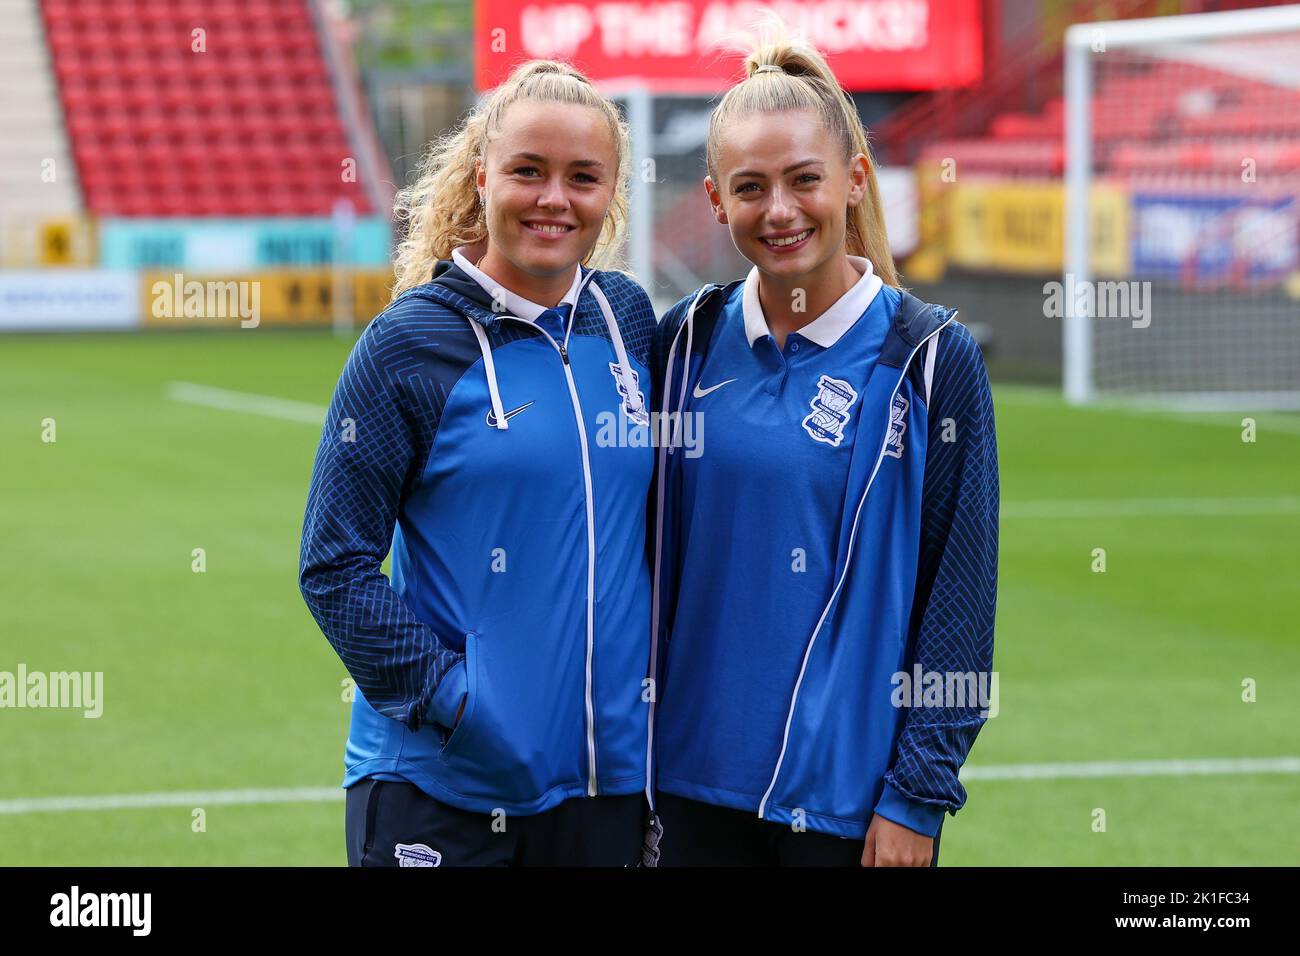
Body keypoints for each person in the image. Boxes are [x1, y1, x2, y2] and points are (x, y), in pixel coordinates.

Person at [647, 30, 1000, 867]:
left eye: (805, 179)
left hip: (844, 813)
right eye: (750, 187)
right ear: (713, 199)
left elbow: (961, 600)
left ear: (854, 179)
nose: (780, 210)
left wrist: (918, 795)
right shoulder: (682, 343)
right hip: (677, 796)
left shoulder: (931, 360)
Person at [299, 59, 658, 867]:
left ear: (610, 192)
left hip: (604, 787)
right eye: (527, 171)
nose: (554, 199)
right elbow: (335, 564)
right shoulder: (406, 347)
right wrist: (460, 704)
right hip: (443, 788)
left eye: (583, 177)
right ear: (481, 174)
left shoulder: (628, 320)